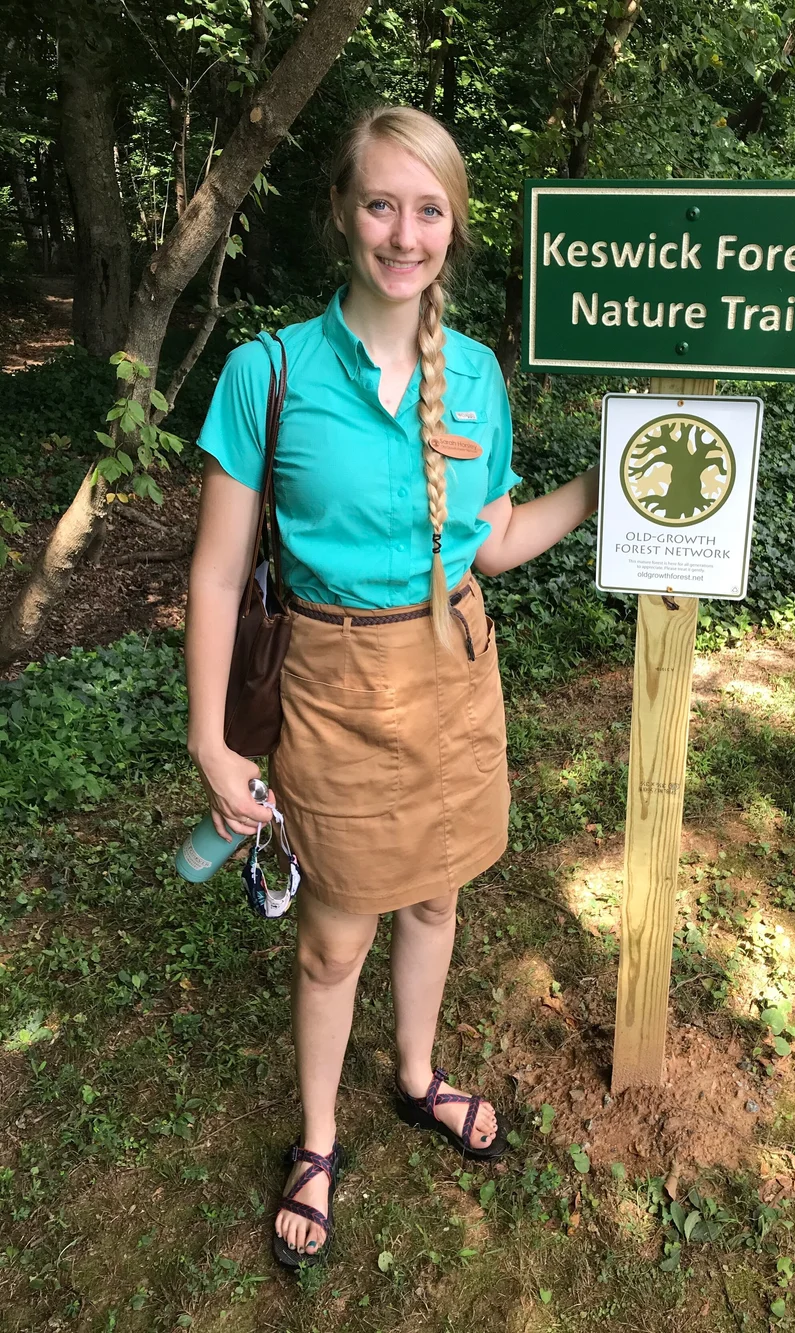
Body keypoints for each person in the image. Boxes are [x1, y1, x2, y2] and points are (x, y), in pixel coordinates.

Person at [185, 104, 599, 1268]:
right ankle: (317, 1139)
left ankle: (415, 1076)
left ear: (453, 228)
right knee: (334, 935)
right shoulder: (268, 374)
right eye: (381, 203)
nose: (402, 232)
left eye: (427, 209)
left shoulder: (474, 376)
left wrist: (603, 483)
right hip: (330, 684)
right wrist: (214, 743)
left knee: (436, 896)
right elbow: (217, 579)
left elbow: (491, 537)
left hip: (455, 670)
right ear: (342, 214)